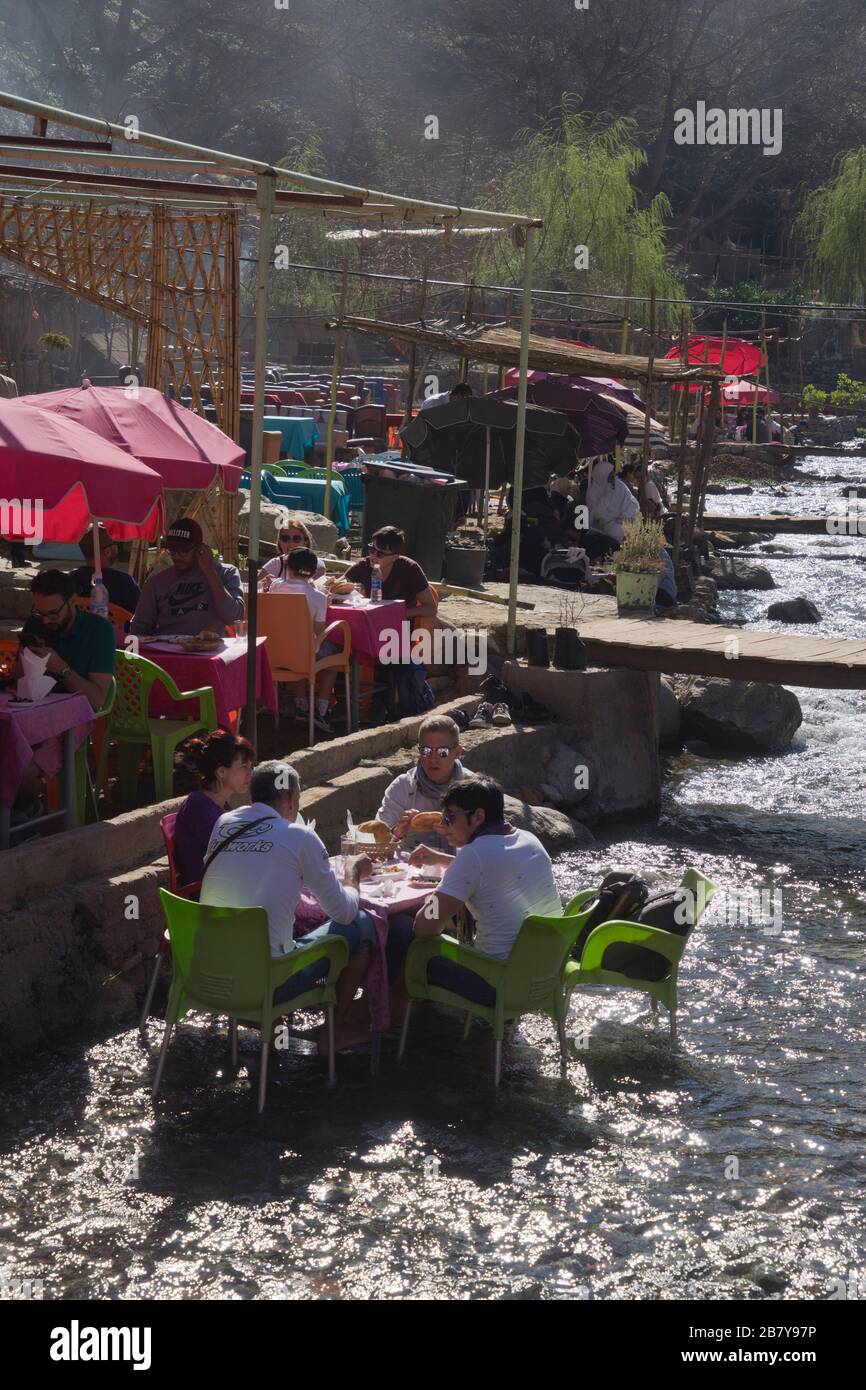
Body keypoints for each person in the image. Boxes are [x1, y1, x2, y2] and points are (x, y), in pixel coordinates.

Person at [199, 760, 376, 1052]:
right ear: (293, 799)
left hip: (207, 973)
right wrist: (352, 874)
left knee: (276, 931)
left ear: (253, 794)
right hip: (266, 984)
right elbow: (344, 913)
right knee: (361, 924)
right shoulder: (300, 836)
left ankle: (274, 1028)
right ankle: (335, 1030)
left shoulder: (224, 823)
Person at [405, 775, 563, 1005]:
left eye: (450, 817)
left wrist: (438, 894)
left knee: (404, 938)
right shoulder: (530, 840)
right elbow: (496, 870)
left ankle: (398, 1026)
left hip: (495, 983)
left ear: (478, 816)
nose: (444, 827)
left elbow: (424, 927)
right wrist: (443, 859)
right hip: (545, 975)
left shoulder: (472, 856)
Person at [10, 569, 117, 822]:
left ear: (72, 601)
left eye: (52, 613)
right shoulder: (37, 624)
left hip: (70, 720)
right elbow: (16, 679)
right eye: (40, 612)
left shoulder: (98, 631)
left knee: (19, 771)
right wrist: (27, 658)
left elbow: (96, 700)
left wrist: (61, 668)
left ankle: (24, 816)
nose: (46, 620)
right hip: (29, 712)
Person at [268, 547, 344, 731]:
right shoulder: (317, 596)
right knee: (333, 654)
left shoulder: (275, 587)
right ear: (314, 572)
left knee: (300, 649)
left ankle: (300, 704)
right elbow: (319, 632)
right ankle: (322, 708)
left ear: (287, 566)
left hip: (274, 652)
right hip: (303, 653)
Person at [129, 518, 245, 637]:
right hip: (167, 650)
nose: (177, 556)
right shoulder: (157, 582)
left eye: (184, 551)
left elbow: (233, 617)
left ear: (199, 549)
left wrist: (210, 572)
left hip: (208, 650)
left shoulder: (225, 573)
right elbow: (139, 628)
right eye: (172, 551)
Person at [174, 730, 255, 887]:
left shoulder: (221, 805)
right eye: (244, 766)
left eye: (250, 766)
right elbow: (233, 856)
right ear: (221, 771)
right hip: (207, 896)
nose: (250, 773)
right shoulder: (199, 807)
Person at [377, 714, 465, 853]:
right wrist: (396, 832)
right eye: (426, 751)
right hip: (409, 868)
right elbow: (375, 841)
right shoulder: (403, 786)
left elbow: (487, 846)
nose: (433, 759)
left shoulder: (473, 790)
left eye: (442, 752)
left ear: (457, 752)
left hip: (458, 868)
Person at [344, 526, 437, 619]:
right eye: (372, 550)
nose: (373, 556)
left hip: (400, 626)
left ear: (395, 557)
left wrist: (397, 614)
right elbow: (340, 585)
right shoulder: (363, 565)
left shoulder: (409, 568)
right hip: (372, 621)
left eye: (380, 554)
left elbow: (431, 608)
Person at [69, 525, 140, 614]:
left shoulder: (71, 580)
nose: (117, 547)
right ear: (107, 552)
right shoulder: (125, 582)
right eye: (114, 543)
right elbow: (141, 616)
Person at [585, 456, 640, 545]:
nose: (613, 476)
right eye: (610, 474)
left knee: (631, 528)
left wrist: (624, 516)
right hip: (603, 525)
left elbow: (631, 502)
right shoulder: (592, 493)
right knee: (615, 531)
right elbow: (596, 515)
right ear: (602, 476)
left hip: (624, 519)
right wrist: (606, 497)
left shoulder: (619, 485)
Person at [261, 516, 325, 587]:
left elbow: (307, 588)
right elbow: (253, 589)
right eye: (285, 538)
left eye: (296, 539)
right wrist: (263, 585)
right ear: (280, 542)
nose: (291, 543)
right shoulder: (274, 565)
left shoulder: (316, 565)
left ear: (305, 541)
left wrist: (276, 584)